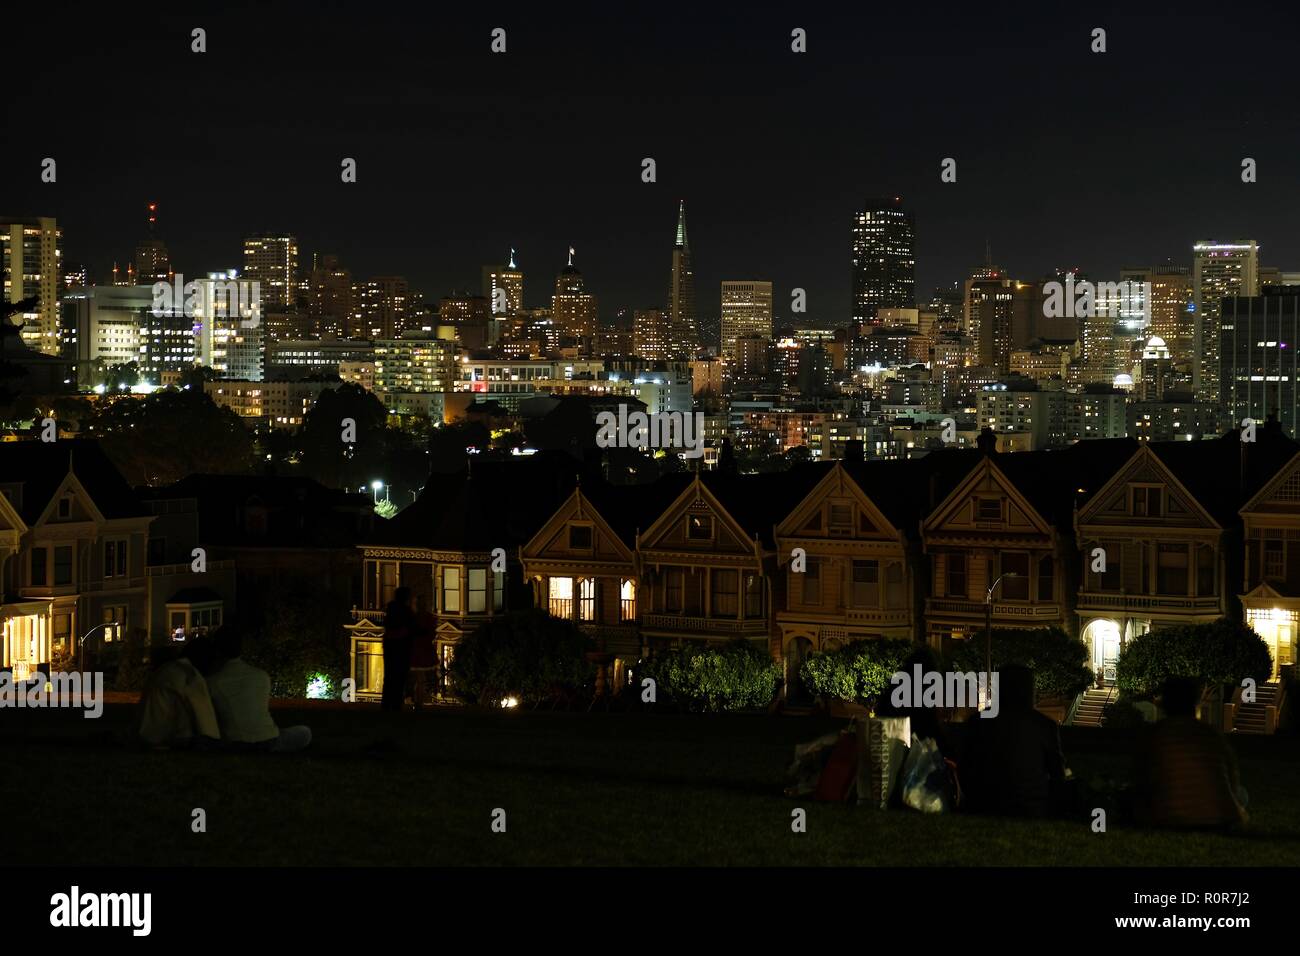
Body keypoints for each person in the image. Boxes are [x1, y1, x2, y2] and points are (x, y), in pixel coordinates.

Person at [1134, 677, 1248, 829]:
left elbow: (1141, 778)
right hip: (1218, 818)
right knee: (1242, 794)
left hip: (1167, 816)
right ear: (1195, 702)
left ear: (1164, 703)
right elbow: (1232, 778)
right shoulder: (1212, 734)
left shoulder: (1155, 734)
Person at [959, 664, 1068, 817]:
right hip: (1030, 807)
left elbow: (964, 766)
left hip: (983, 804)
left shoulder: (977, 722)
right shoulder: (1044, 726)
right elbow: (1058, 775)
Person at [205, 626, 312, 753]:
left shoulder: (211, 682)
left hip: (234, 741)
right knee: (304, 732)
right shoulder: (261, 676)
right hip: (268, 739)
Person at [137, 637, 223, 749]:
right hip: (167, 741)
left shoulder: (163, 671)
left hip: (145, 737)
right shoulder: (190, 676)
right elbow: (207, 726)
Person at [381, 586, 416, 712]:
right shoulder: (407, 612)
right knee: (400, 678)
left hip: (390, 646)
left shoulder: (391, 610)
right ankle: (395, 705)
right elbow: (412, 629)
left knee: (389, 676)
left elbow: (386, 626)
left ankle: (386, 704)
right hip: (401, 648)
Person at [409, 593, 437, 710]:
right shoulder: (424, 618)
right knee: (419, 678)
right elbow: (431, 634)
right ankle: (417, 701)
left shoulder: (415, 618)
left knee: (419, 678)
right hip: (420, 651)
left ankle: (417, 701)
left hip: (418, 651)